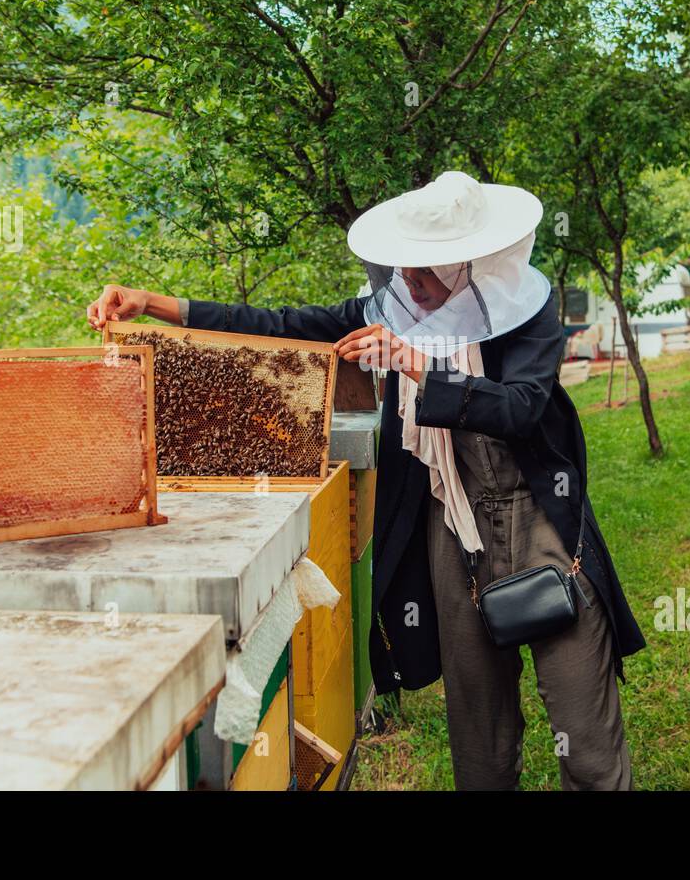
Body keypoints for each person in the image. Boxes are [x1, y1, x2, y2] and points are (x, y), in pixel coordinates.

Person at [87, 170, 646, 790]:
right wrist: (154, 304)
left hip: (539, 517)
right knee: (479, 736)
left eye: (426, 269)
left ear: (471, 263)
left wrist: (415, 364)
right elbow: (280, 325)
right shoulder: (391, 309)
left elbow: (521, 407)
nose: (410, 282)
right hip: (451, 532)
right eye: (404, 267)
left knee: (584, 729)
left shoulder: (529, 311)